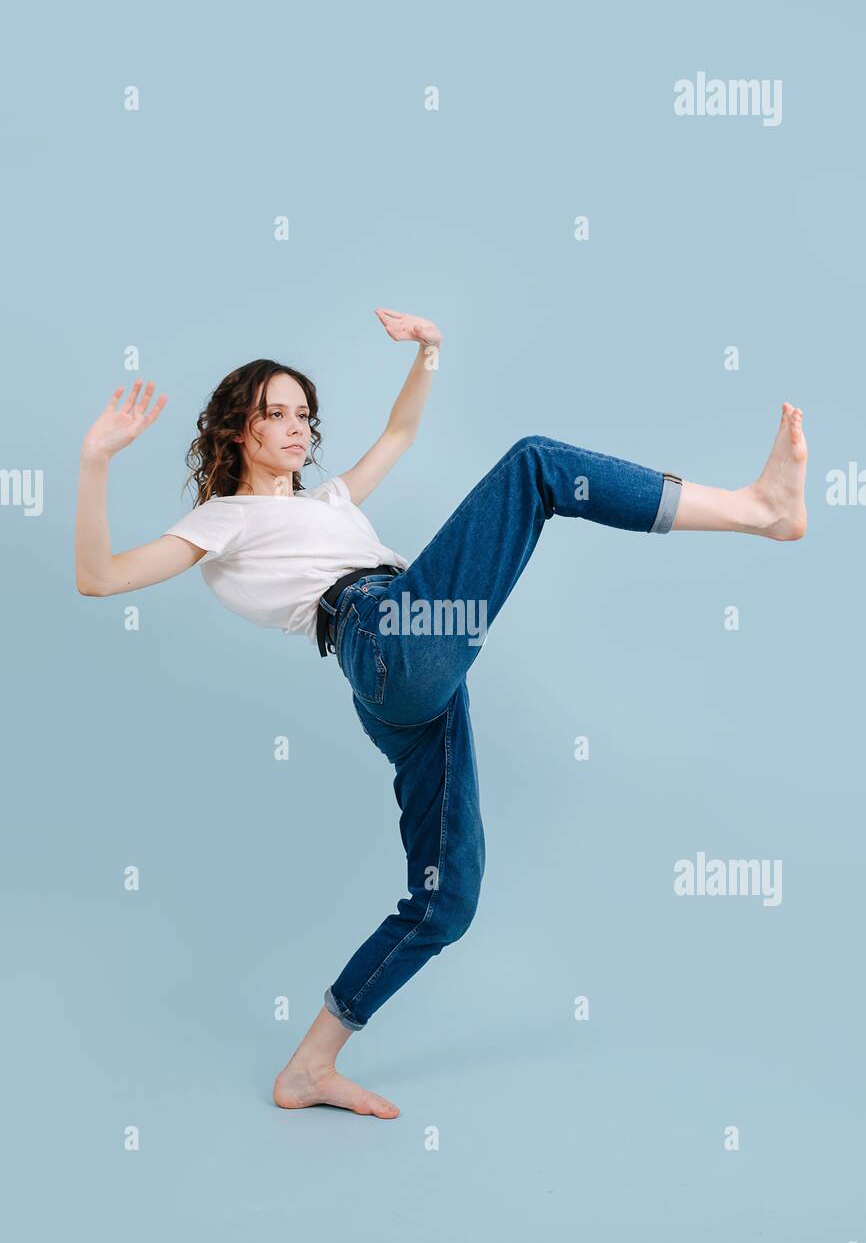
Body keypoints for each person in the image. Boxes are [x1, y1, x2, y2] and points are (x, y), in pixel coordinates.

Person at [75, 307, 808, 1120]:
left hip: (406, 674)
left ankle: (308, 1069)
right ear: (236, 427)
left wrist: (429, 352)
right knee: (536, 467)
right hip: (383, 637)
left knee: (447, 899)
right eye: (274, 412)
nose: (295, 425)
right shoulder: (222, 521)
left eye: (303, 412)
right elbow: (100, 578)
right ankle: (756, 510)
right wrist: (95, 463)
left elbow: (399, 435)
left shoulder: (331, 501)